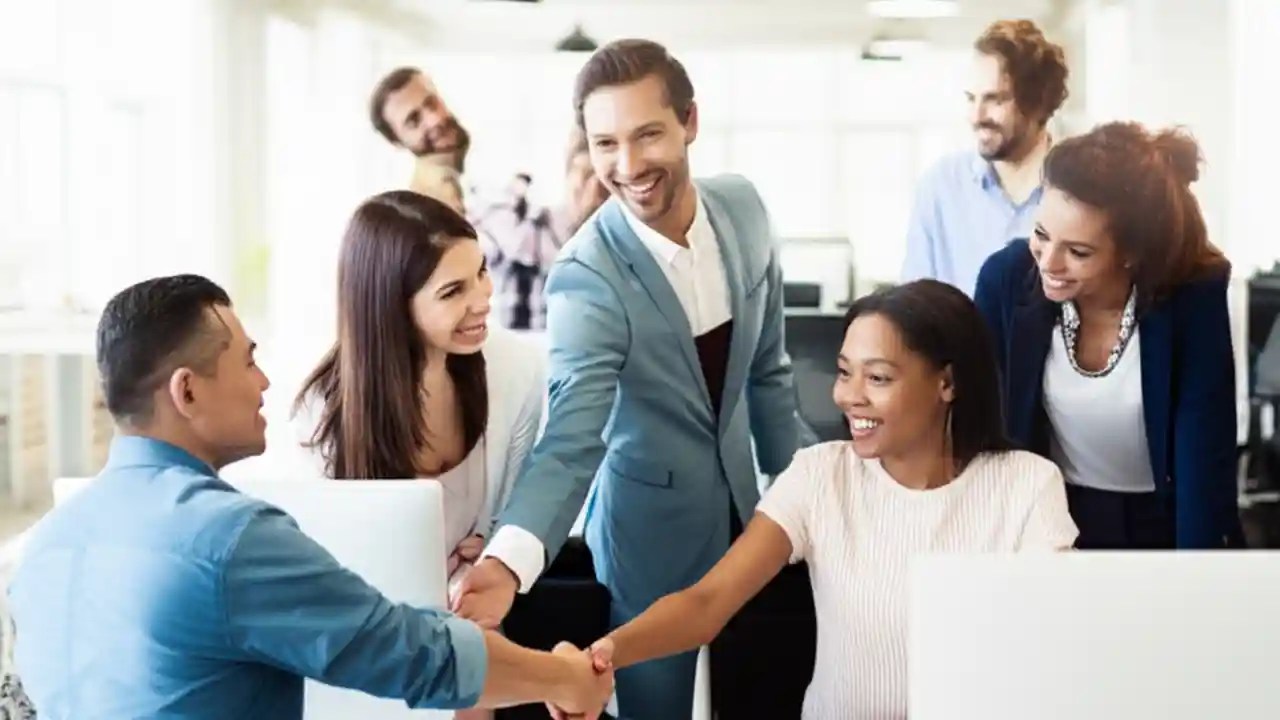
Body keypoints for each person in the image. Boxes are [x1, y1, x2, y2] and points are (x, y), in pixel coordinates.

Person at [7, 275, 612, 719]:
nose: (264, 382)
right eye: (247, 362)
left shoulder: (46, 545)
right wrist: (564, 678)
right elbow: (414, 655)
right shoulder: (226, 540)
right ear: (186, 391)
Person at [451, 39, 813, 718]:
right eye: (604, 143)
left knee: (762, 691)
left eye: (647, 135)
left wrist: (805, 498)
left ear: (690, 123)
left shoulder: (746, 210)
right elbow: (572, 441)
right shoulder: (587, 277)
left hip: (753, 515)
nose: (627, 165)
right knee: (653, 708)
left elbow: (769, 373)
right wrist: (506, 565)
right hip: (649, 531)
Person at [548, 280, 1077, 720]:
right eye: (846, 372)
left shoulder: (1026, 486)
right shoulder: (822, 475)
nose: (848, 396)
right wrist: (603, 657)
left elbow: (1054, 647)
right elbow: (706, 604)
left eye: (878, 378)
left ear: (948, 383)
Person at [974, 122, 1244, 549]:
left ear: (1132, 255)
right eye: (1042, 235)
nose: (1049, 262)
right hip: (1049, 521)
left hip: (1162, 521)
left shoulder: (1191, 298)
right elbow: (982, 432)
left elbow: (1203, 463)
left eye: (1078, 252)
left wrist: (1199, 585)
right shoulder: (1005, 281)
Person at [291, 191, 544, 601]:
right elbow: (327, 567)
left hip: (476, 617)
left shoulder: (515, 369)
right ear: (392, 305)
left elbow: (508, 516)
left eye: (481, 272)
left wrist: (493, 552)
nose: (483, 300)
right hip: (376, 628)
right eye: (453, 291)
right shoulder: (321, 412)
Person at [370, 67, 565, 330]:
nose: (434, 119)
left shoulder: (484, 166)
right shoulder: (422, 214)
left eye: (432, 102)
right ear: (397, 142)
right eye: (414, 121)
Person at [902, 19, 1069, 296]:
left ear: (1038, 102)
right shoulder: (941, 188)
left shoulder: (1079, 192)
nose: (977, 117)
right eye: (971, 99)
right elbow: (913, 311)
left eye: (996, 99)